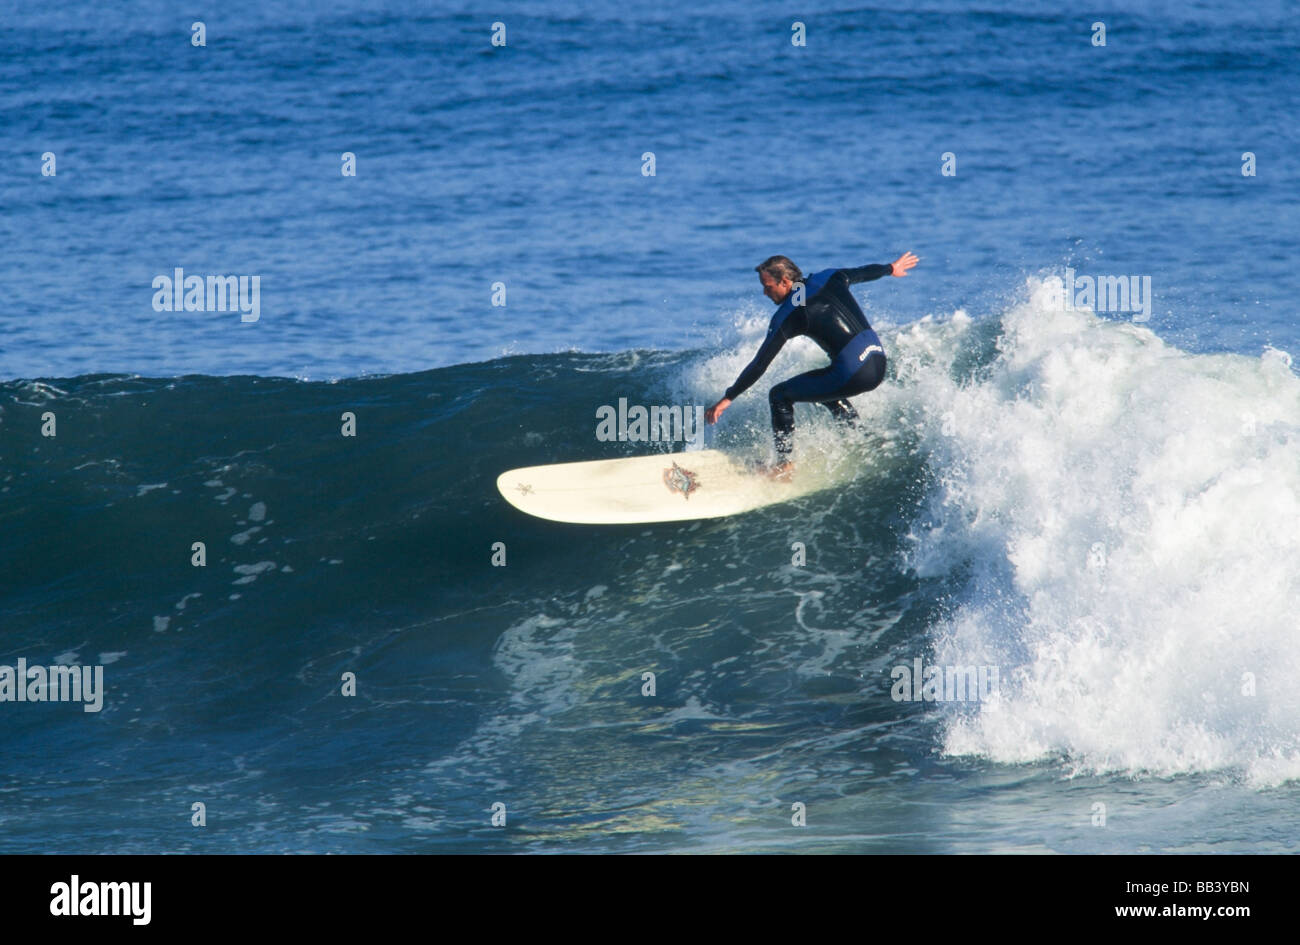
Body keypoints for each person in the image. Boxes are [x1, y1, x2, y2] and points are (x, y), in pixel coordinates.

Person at [705, 251, 919, 479]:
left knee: (779, 395)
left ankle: (783, 467)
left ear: (785, 282)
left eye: (768, 286)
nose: (764, 292)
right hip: (877, 361)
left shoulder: (790, 312)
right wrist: (890, 268)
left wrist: (728, 397)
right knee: (821, 388)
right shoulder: (829, 277)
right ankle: (860, 437)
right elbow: (863, 272)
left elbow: (760, 364)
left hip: (854, 373)